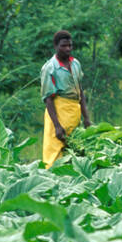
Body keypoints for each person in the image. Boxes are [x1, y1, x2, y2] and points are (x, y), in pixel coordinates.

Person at [41, 30, 91, 168]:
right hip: (58, 112)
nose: (67, 49)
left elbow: (80, 92)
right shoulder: (50, 68)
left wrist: (86, 118)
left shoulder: (75, 64)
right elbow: (48, 99)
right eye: (63, 46)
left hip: (74, 111)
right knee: (55, 151)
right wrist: (57, 125)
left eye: (70, 45)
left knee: (74, 149)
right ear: (56, 46)